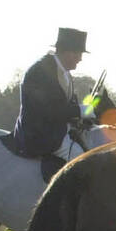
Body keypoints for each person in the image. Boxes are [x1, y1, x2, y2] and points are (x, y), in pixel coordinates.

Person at [13, 28, 89, 181]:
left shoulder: (65, 73)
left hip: (57, 129)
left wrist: (84, 117)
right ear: (67, 52)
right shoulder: (40, 72)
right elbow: (47, 109)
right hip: (40, 133)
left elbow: (66, 104)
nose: (80, 59)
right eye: (78, 54)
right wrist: (79, 111)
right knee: (83, 161)